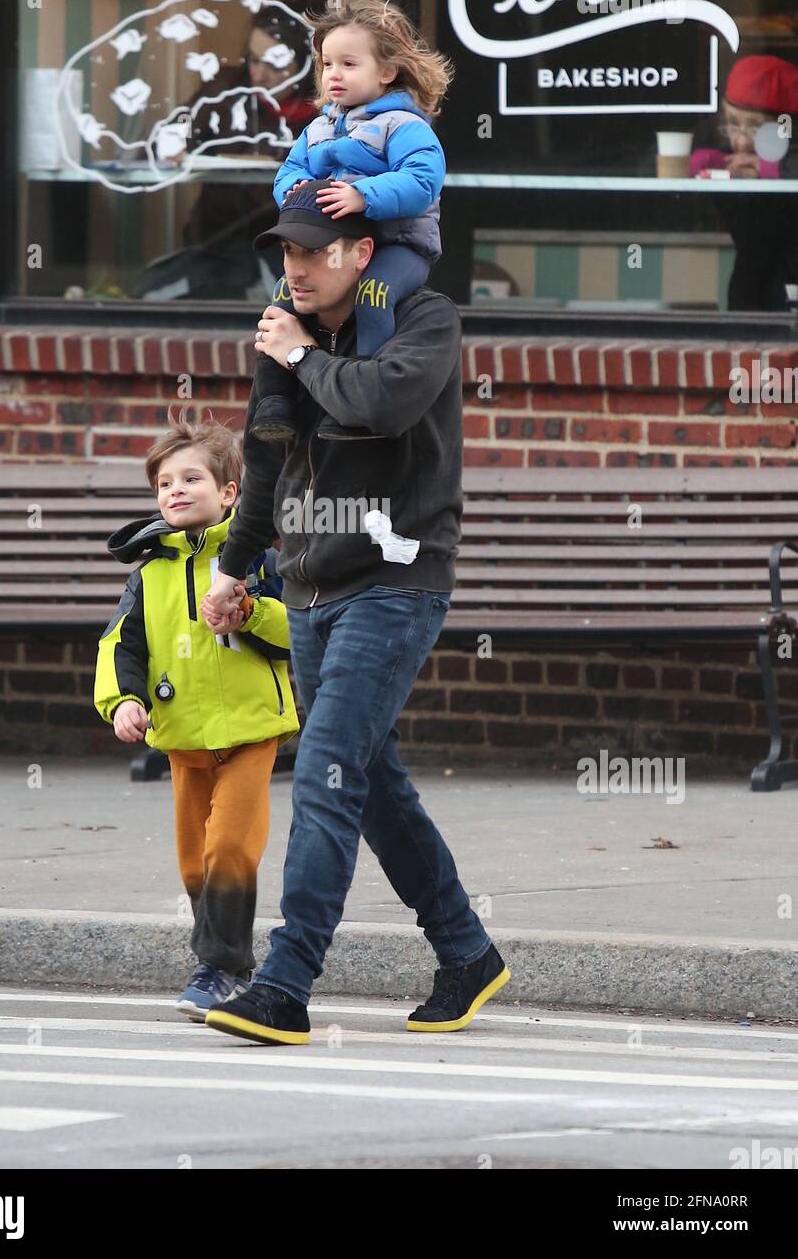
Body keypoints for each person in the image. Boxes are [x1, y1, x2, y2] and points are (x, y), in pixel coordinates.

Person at [197, 181, 510, 1046]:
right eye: (286, 253)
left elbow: (379, 404)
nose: (293, 268)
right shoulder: (286, 331)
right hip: (307, 583)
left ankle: (285, 981)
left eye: (312, 251)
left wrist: (299, 356)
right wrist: (232, 566)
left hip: (395, 581)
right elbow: (266, 464)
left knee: (327, 773)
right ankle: (465, 951)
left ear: (360, 254)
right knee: (370, 785)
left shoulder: (424, 319)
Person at [94, 417, 300, 1019]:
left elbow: (302, 636)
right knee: (193, 860)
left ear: (229, 492)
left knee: (231, 847)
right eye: (163, 483)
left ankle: (218, 968)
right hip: (182, 737)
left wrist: (252, 612)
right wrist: (124, 701)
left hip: (250, 732)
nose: (175, 490)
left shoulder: (259, 559)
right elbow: (119, 647)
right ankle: (230, 965)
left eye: (191, 478)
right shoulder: (149, 573)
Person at [249, 0, 453, 444]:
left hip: (398, 244)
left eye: (348, 64)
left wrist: (364, 194)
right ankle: (273, 401)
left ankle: (357, 395)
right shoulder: (318, 126)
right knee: (281, 297)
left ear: (387, 70)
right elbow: (289, 173)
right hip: (337, 247)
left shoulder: (403, 127)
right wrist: (295, 195)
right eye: (326, 64)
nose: (333, 75)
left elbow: (422, 181)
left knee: (374, 293)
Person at [131, 0, 327, 303]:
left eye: (274, 65)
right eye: (253, 60)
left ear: (306, 65)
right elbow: (160, 142)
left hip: (289, 252)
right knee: (147, 296)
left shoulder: (325, 115)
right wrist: (170, 146)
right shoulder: (224, 90)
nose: (258, 75)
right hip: (215, 248)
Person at [690, 54, 798, 312]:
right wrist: (701, 162)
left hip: (790, 289)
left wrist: (772, 169)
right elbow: (645, 161)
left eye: (756, 128)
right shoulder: (718, 142)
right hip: (748, 289)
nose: (740, 141)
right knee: (747, 354)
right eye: (732, 123)